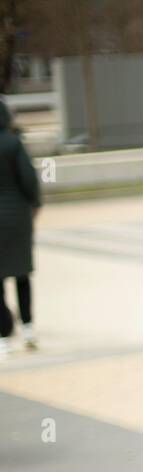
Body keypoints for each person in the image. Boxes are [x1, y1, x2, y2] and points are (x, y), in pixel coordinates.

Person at [0, 97, 41, 355]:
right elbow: (29, 179)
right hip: (16, 217)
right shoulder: (14, 143)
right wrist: (34, 204)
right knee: (22, 274)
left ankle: (3, 335)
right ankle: (27, 327)